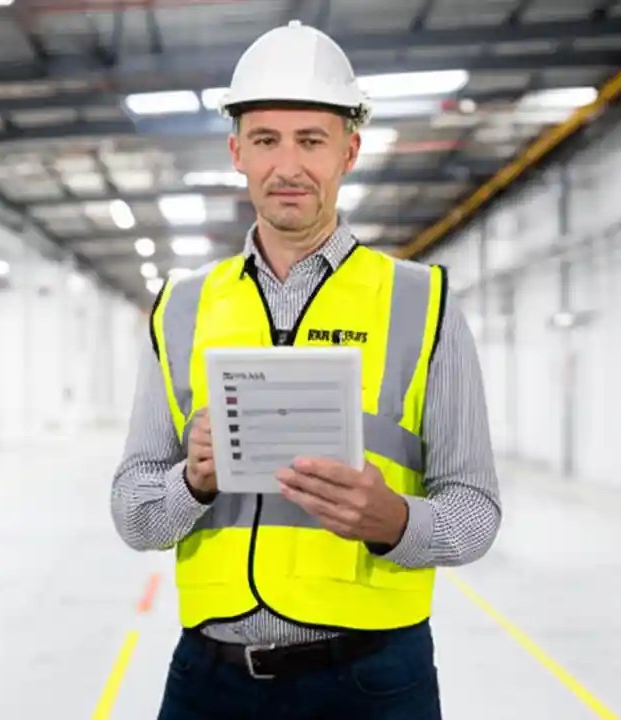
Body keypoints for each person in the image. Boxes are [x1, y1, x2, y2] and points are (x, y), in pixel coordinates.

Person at [110, 19, 501, 720]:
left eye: (311, 140)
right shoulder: (180, 308)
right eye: (266, 140)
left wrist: (395, 521)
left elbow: (474, 511)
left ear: (349, 150)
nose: (287, 166)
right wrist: (192, 483)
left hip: (373, 679)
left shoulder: (423, 302)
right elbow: (135, 514)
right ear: (237, 151)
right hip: (210, 678)